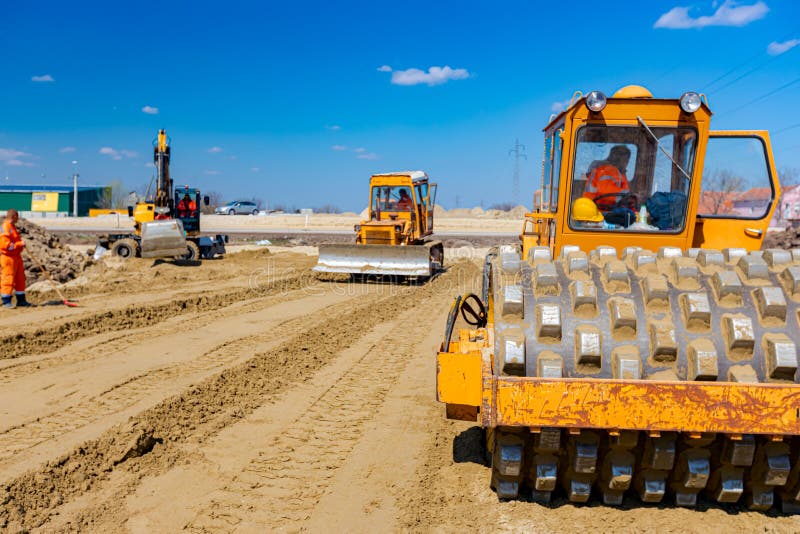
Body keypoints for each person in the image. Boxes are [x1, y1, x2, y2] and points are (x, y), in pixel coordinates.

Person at [582, 145, 636, 227]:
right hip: (595, 211)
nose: (626, 162)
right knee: (628, 218)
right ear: (614, 157)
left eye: (627, 159)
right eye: (623, 158)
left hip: (602, 210)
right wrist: (630, 197)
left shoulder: (620, 173)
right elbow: (607, 193)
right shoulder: (607, 170)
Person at [0, 209, 30, 308]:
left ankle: (21, 300)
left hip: (16, 256)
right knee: (8, 277)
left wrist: (20, 245)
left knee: (20, 278)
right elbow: (5, 245)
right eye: (17, 217)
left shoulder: (12, 227)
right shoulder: (5, 227)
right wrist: (19, 244)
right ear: (14, 217)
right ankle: (6, 300)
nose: (18, 219)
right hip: (8, 257)